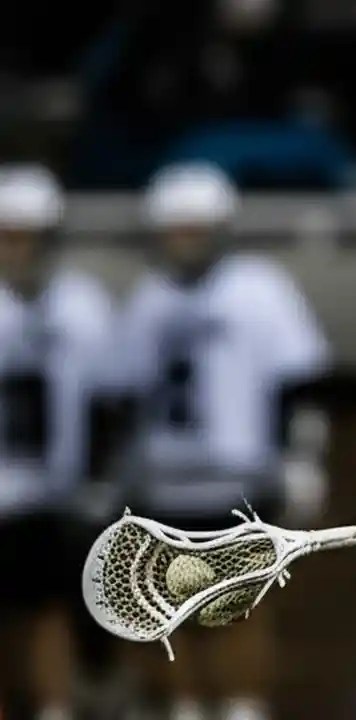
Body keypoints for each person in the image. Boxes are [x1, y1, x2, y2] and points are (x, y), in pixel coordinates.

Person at [112, 162, 330, 720]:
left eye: (195, 230)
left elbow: (299, 382)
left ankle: (242, 705)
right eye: (175, 231)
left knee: (239, 602)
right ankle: (184, 705)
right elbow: (123, 395)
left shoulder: (259, 289)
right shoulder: (148, 297)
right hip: (162, 479)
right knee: (165, 603)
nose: (184, 242)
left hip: (238, 478)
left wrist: (301, 457)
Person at [0, 165, 115, 720]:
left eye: (27, 237)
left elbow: (110, 396)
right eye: (7, 236)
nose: (16, 249)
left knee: (52, 607)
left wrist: (97, 476)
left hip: (54, 492)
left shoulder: (82, 304)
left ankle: (55, 708)